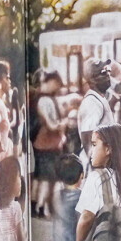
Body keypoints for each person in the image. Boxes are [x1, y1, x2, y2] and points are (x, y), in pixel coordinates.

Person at [32, 71, 69, 218]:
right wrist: (63, 124)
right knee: (47, 179)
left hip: (42, 143)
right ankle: (42, 206)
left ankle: (37, 205)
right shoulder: (45, 100)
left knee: (41, 177)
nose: (58, 89)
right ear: (52, 81)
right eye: (57, 85)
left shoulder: (40, 98)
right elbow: (51, 125)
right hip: (48, 143)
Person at [77, 58, 116, 165]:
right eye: (103, 73)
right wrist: (97, 168)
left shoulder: (99, 98)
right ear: (92, 79)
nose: (108, 75)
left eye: (108, 71)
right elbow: (87, 138)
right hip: (96, 165)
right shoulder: (91, 102)